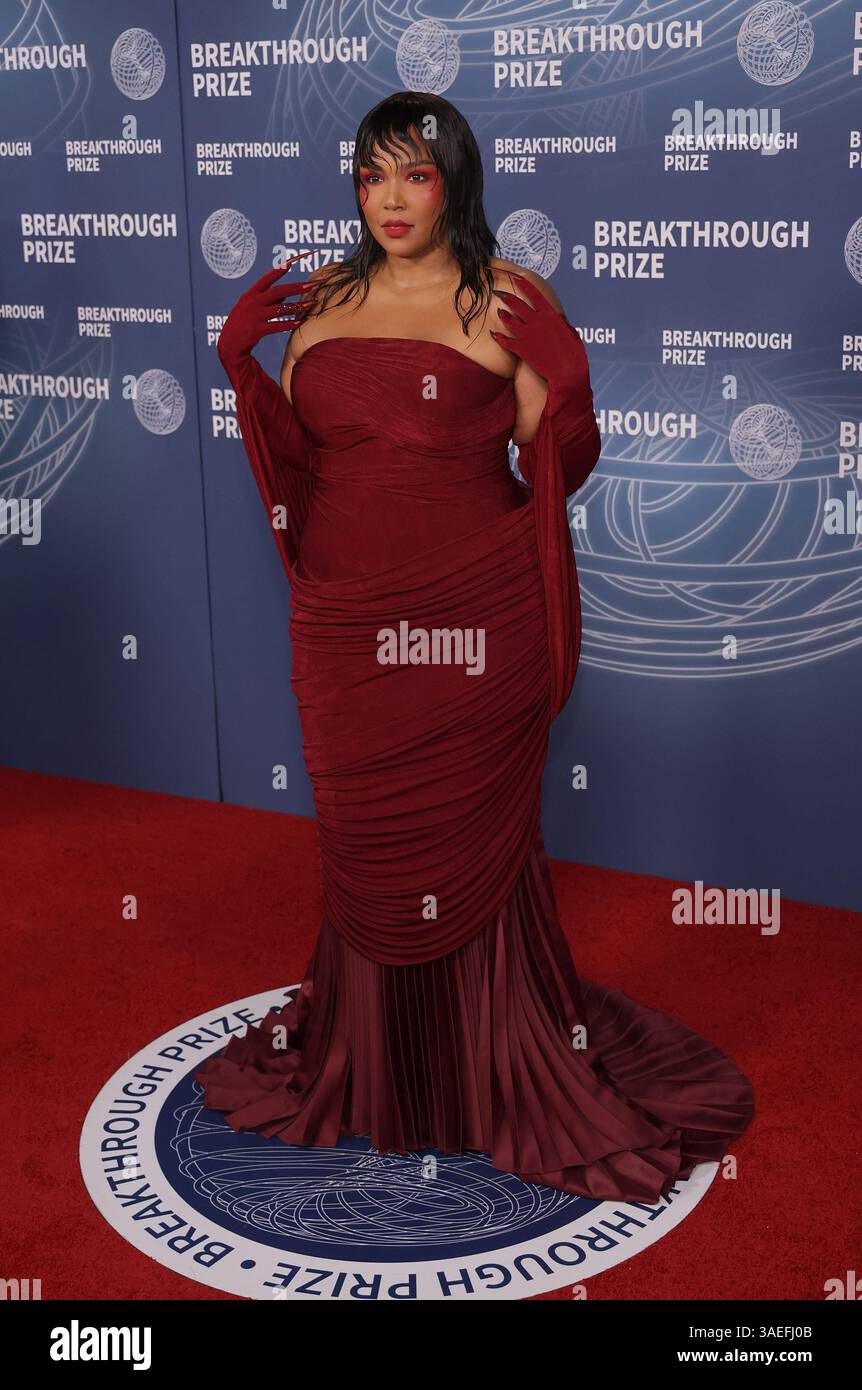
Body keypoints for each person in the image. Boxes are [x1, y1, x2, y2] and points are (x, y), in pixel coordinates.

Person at [195, 92, 754, 1202]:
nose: (389, 198)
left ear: (456, 178)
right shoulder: (329, 299)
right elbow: (307, 471)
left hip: (473, 622)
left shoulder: (505, 297)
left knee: (465, 842)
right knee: (363, 840)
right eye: (370, 176)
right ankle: (377, 1068)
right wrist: (239, 369)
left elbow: (555, 463)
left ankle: (490, 1072)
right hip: (347, 627)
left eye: (413, 173)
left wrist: (574, 381)